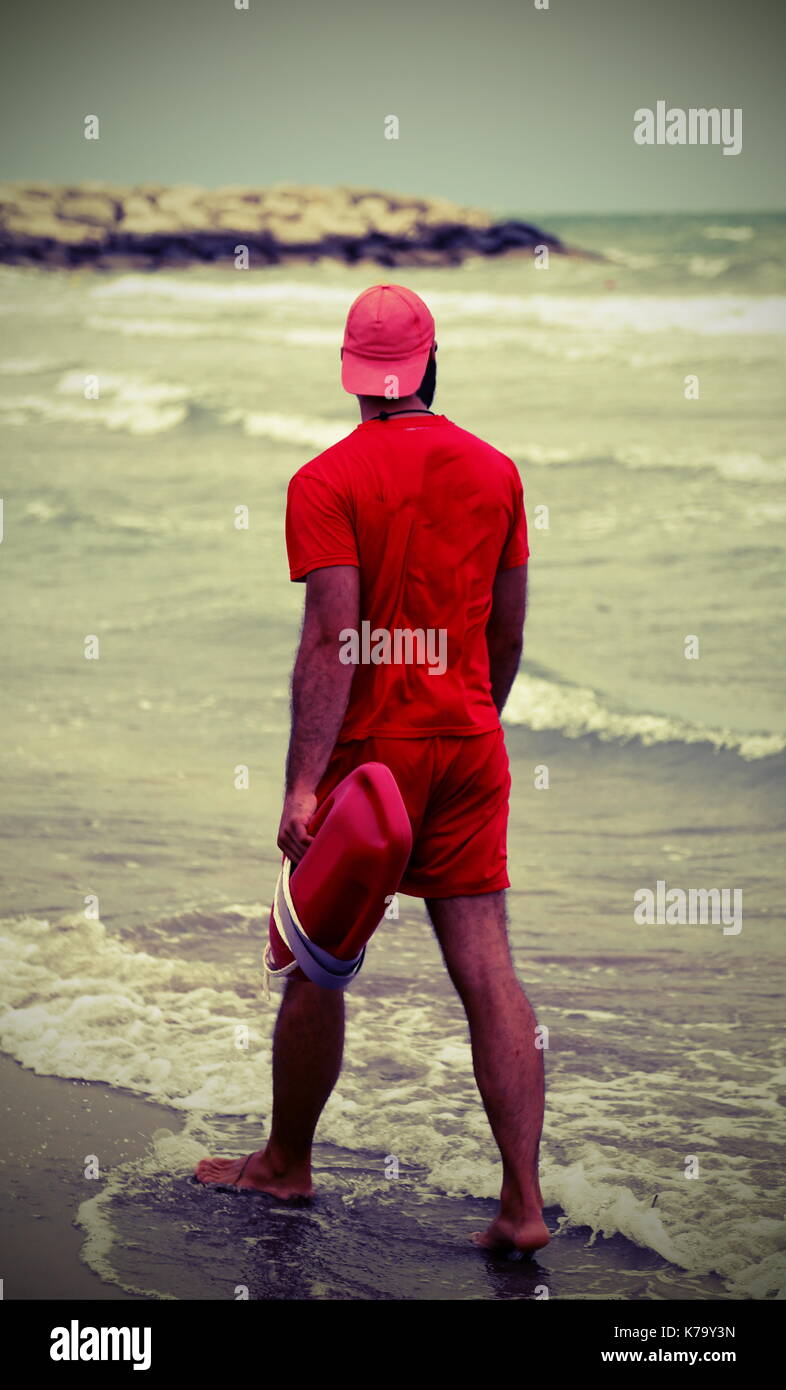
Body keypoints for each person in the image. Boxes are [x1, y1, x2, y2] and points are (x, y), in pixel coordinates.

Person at [195, 284, 548, 1255]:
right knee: (489, 972)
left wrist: (303, 783)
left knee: (319, 964)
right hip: (470, 748)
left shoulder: (326, 480)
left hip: (371, 768)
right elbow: (507, 631)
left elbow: (331, 640)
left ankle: (286, 1161)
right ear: (433, 363)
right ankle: (523, 1205)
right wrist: (474, 719)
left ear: (355, 378)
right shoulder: (497, 473)